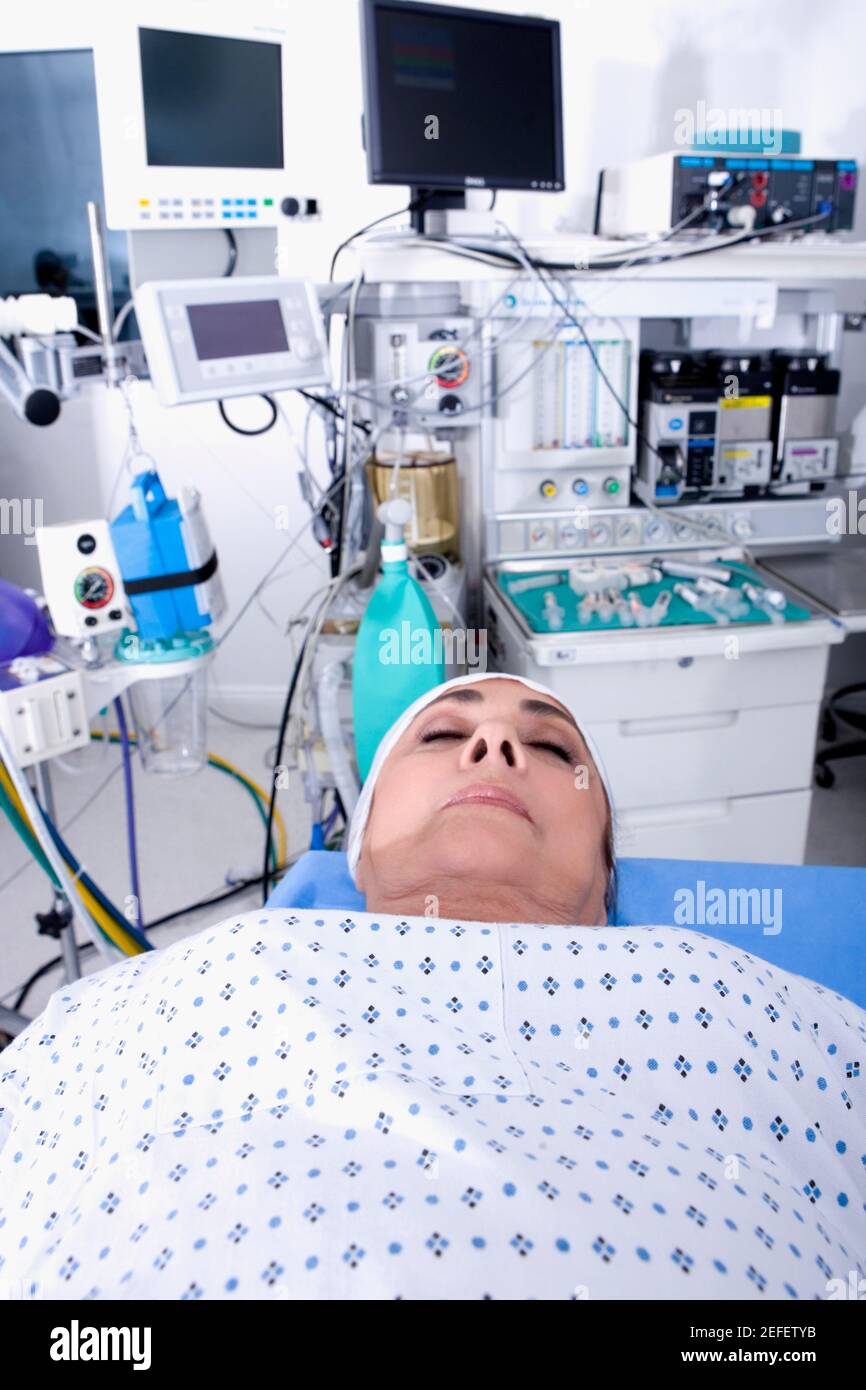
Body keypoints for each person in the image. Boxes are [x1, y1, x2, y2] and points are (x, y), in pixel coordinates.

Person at [0, 673, 863, 1301]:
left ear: (607, 873)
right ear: (363, 842)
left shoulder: (750, 1009)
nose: (498, 745)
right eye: (445, 735)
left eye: (554, 745)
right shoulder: (158, 1000)